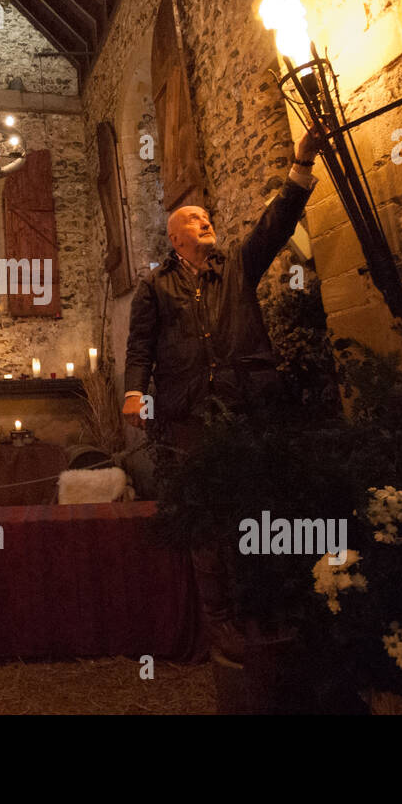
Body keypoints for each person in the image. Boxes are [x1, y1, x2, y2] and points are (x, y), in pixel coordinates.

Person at [121, 125, 327, 668]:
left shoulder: (236, 265)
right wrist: (134, 393)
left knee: (257, 511)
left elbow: (276, 225)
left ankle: (265, 608)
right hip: (189, 416)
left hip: (246, 408)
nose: (205, 217)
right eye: (193, 217)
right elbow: (140, 346)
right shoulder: (154, 287)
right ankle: (219, 623)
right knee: (209, 519)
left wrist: (300, 167)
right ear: (176, 238)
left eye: (206, 214)